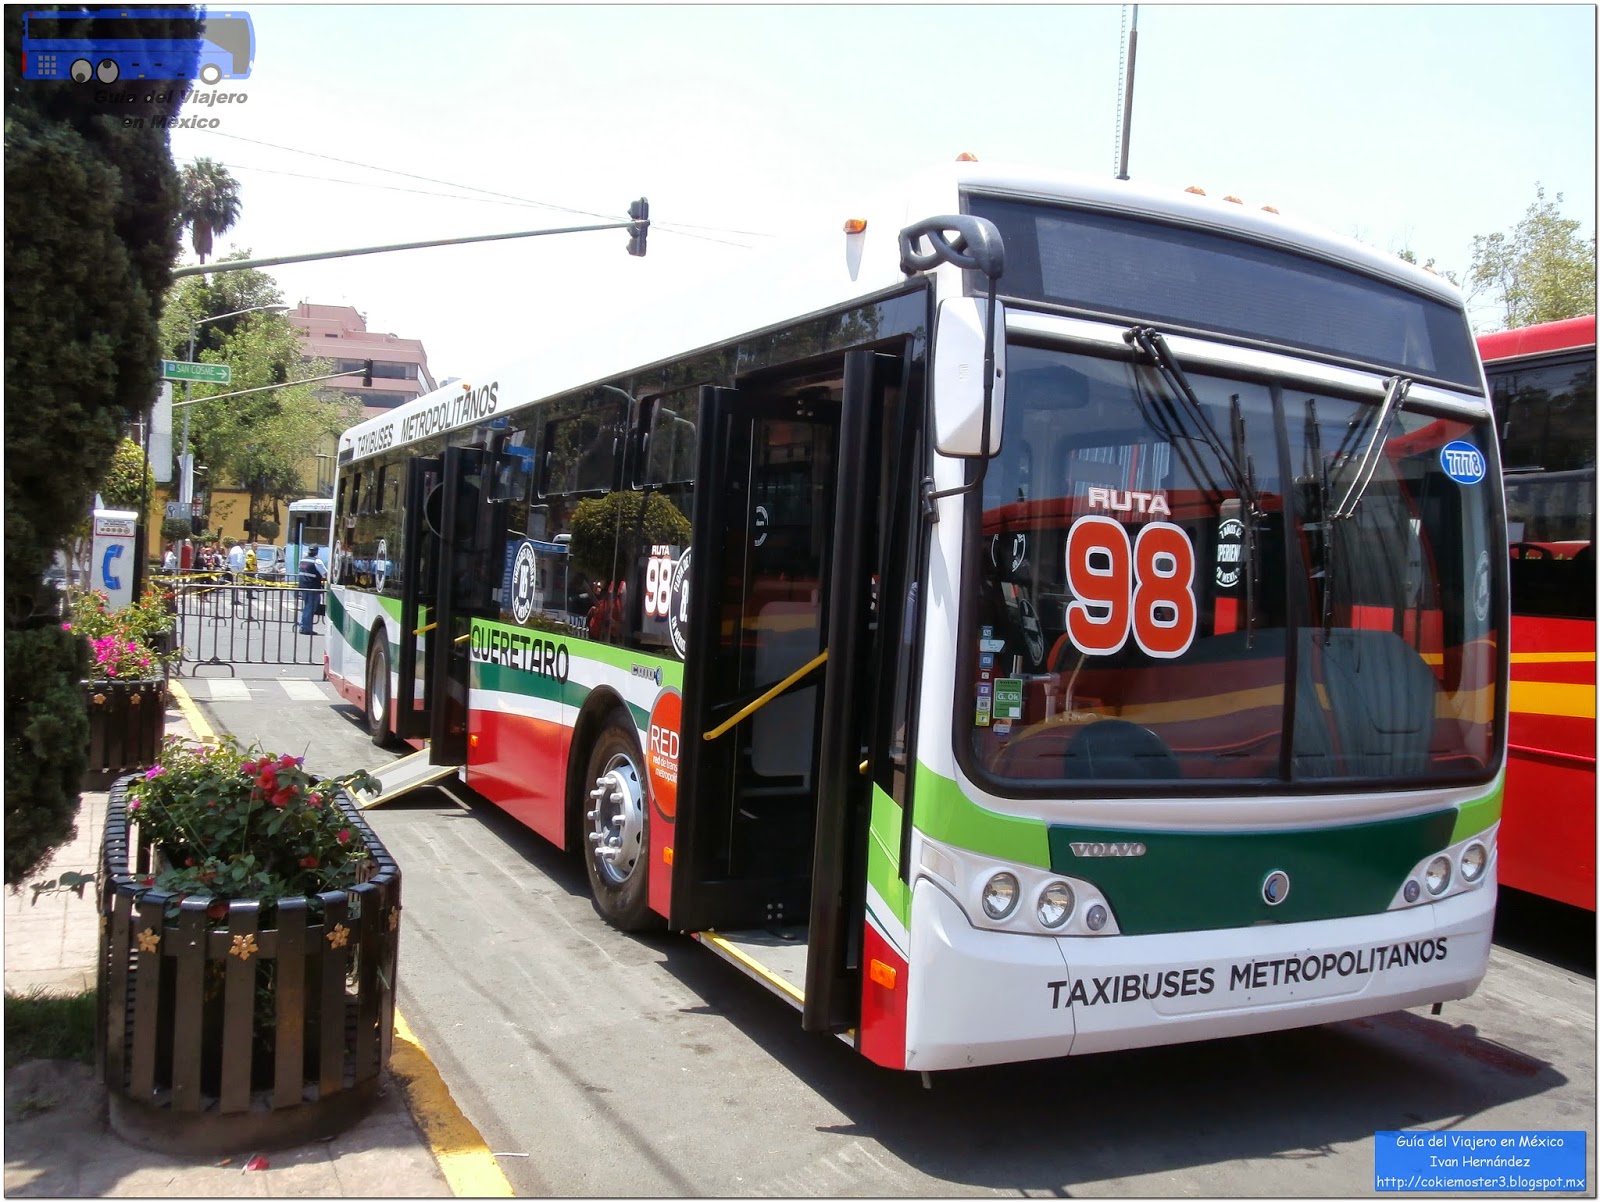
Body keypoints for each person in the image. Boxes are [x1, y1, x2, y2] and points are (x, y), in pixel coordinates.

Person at [297, 545, 327, 635]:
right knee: (310, 608)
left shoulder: (303, 560)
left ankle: (303, 626)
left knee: (307, 607)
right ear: (317, 552)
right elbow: (325, 573)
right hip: (312, 587)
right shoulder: (317, 561)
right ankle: (305, 628)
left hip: (303, 587)